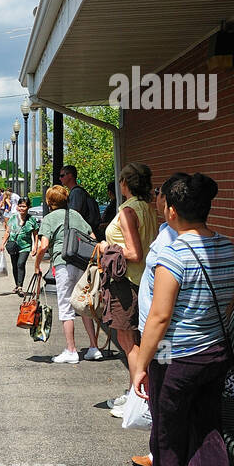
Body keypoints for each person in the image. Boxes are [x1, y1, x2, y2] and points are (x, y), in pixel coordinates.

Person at [124, 173, 234, 466]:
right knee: (207, 434)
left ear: (171, 210)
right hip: (214, 354)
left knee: (168, 437)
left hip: (177, 360)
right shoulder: (228, 248)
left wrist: (141, 363)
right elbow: (227, 305)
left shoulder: (174, 255)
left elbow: (159, 316)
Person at [130, 175, 186, 466]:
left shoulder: (174, 242)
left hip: (163, 335)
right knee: (160, 400)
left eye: (159, 194)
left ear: (171, 203)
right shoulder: (166, 231)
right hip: (154, 328)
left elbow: (162, 314)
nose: (156, 199)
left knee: (162, 399)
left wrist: (143, 361)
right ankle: (157, 455)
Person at [96, 163, 159, 416]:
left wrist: (105, 248)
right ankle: (138, 391)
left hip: (127, 283)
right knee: (135, 340)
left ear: (125, 184)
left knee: (127, 340)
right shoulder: (149, 208)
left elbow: (133, 252)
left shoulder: (127, 211)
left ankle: (138, 398)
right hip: (144, 280)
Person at [33, 184, 101, 364]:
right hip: (81, 263)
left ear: (49, 201)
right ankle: (94, 347)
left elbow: (44, 245)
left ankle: (71, 350)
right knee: (83, 304)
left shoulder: (49, 218)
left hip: (63, 264)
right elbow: (92, 237)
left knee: (65, 306)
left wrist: (37, 264)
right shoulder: (76, 215)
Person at [0, 196, 38, 294]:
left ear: (28, 207)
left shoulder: (32, 220)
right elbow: (8, 232)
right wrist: (2, 243)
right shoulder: (13, 218)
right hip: (13, 245)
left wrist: (35, 246)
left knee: (21, 264)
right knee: (15, 265)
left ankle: (20, 286)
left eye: (24, 206)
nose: (21, 208)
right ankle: (17, 285)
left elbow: (35, 234)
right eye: (20, 206)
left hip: (25, 246)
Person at [59, 164, 102, 231]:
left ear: (70, 175)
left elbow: (74, 216)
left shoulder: (76, 193)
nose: (60, 178)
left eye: (62, 176)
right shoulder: (78, 191)